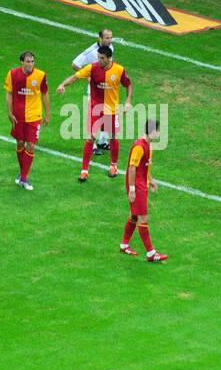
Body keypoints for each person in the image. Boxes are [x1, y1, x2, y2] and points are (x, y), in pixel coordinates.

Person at [55, 45, 132, 181]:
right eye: (98, 57)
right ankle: (84, 170)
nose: (99, 60)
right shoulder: (92, 68)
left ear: (109, 58)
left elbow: (128, 85)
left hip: (111, 110)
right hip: (96, 109)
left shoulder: (119, 70)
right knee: (91, 137)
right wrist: (63, 85)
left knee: (112, 137)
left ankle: (113, 165)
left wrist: (127, 102)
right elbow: (75, 77)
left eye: (102, 58)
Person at [121, 118, 167, 262]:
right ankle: (150, 253)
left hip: (142, 184)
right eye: (158, 131)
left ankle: (124, 245)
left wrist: (151, 179)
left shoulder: (148, 145)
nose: (159, 134)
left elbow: (144, 166)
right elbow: (132, 168)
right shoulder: (139, 147)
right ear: (152, 132)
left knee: (134, 216)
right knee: (143, 218)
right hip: (137, 186)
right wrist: (132, 190)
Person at [5, 51, 50, 191]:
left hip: (34, 116)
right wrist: (9, 112)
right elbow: (9, 94)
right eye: (28, 61)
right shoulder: (12, 74)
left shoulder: (41, 75)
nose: (30, 64)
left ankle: (24, 177)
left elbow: (44, 93)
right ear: (22, 62)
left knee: (30, 145)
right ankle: (22, 172)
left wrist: (47, 113)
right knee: (20, 143)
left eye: (32, 61)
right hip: (18, 116)